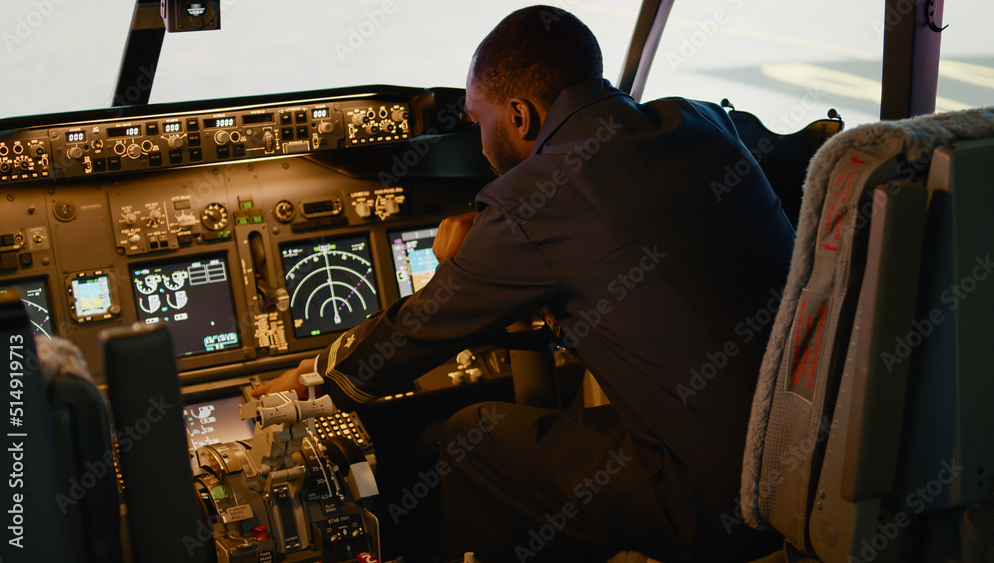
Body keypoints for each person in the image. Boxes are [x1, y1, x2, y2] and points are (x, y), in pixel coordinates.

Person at [253, 5, 793, 562]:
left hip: (721, 501)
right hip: (803, 449)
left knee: (471, 439)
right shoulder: (701, 121)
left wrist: (310, 378)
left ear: (520, 116)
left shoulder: (533, 201)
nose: (478, 139)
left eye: (476, 119)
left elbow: (416, 333)